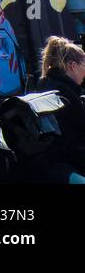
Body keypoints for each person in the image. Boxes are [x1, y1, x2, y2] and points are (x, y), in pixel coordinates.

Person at [22, 35, 85, 183]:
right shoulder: (66, 94)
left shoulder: (45, 85)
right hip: (64, 164)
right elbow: (80, 135)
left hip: (43, 162)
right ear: (72, 66)